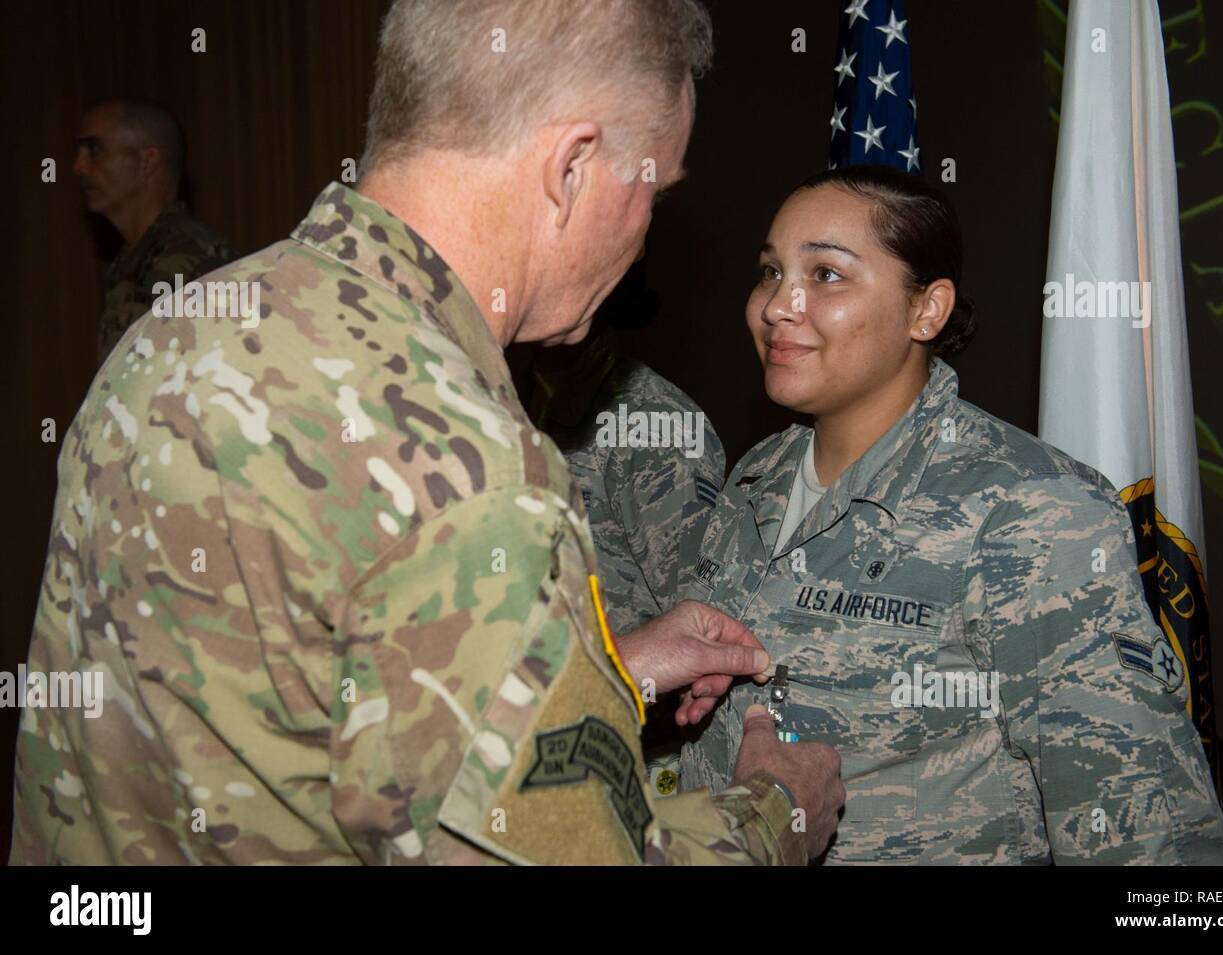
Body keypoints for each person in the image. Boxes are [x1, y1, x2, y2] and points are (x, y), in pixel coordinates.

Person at [11, 0, 843, 866]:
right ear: (573, 166)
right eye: (652, 190)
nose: (644, 235)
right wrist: (773, 814)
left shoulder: (176, 335)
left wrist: (601, 673)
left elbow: (282, 697)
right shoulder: (468, 464)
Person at [679, 164, 1223, 864]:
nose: (775, 306)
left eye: (825, 275)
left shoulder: (1030, 509)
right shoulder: (753, 480)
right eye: (769, 271)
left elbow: (1150, 837)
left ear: (927, 310)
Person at [525, 268, 727, 797]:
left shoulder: (652, 427)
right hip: (538, 737)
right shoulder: (518, 406)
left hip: (630, 764)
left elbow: (704, 624)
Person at [74, 98, 236, 365]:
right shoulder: (130, 261)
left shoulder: (198, 257)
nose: (78, 166)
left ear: (146, 162)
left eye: (94, 150)